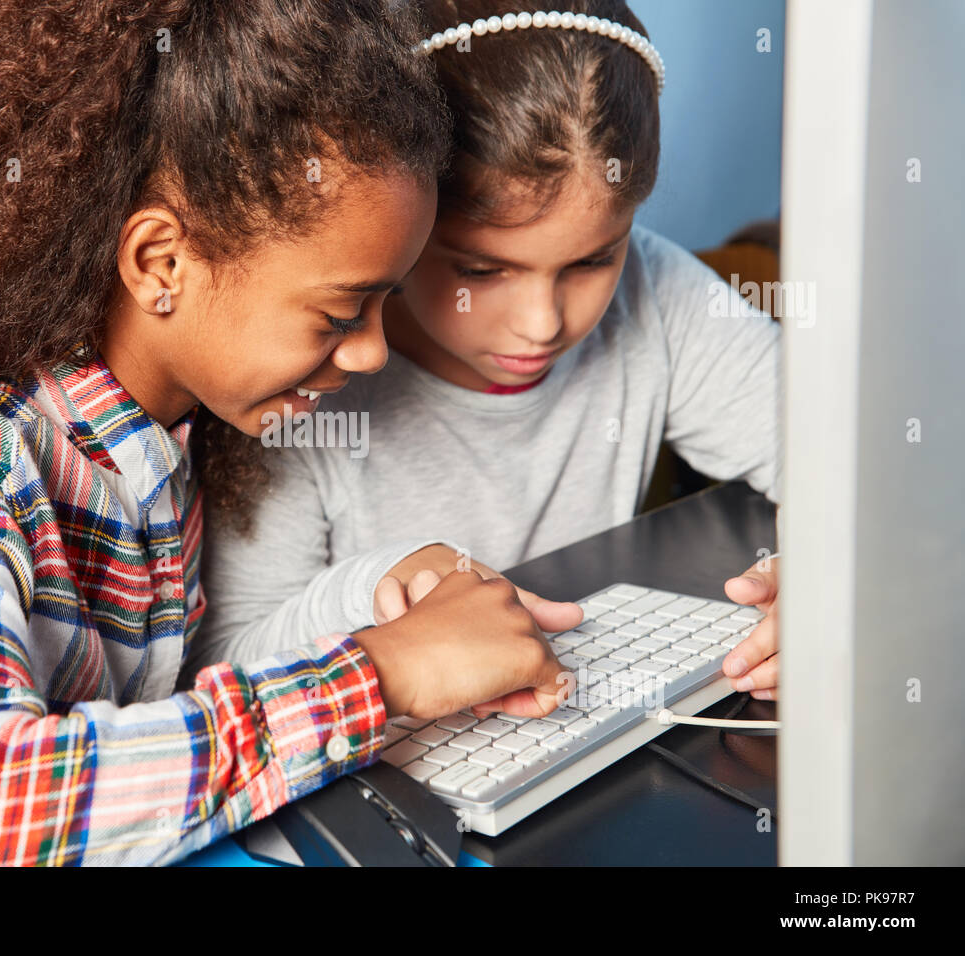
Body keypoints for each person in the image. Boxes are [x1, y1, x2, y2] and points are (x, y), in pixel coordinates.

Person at [0, 0, 574, 867]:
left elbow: (175, 720)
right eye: (340, 311)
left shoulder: (168, 433)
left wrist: (373, 599)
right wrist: (381, 675)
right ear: (162, 264)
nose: (372, 352)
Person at [195, 0, 784, 710]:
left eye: (593, 261)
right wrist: (378, 587)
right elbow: (227, 667)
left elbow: (858, 462)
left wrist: (822, 572)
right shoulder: (300, 379)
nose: (542, 324)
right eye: (481, 271)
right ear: (398, 217)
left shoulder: (656, 295)